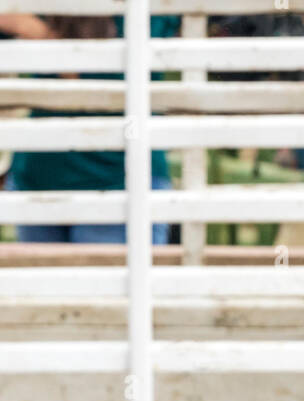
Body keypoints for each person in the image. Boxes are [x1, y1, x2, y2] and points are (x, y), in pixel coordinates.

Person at [1, 15, 178, 244]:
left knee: (118, 276)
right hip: (40, 177)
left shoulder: (147, 14)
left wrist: (38, 33)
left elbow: (109, 82)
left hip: (118, 177)